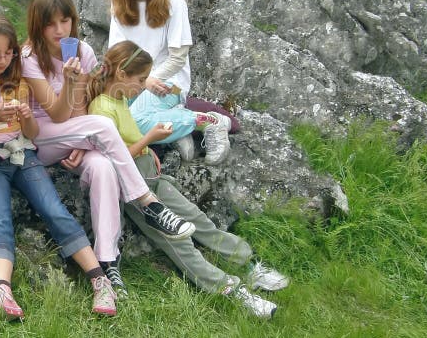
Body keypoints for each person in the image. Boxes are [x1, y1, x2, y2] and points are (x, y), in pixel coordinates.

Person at [86, 40, 289, 317]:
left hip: (152, 178)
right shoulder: (101, 108)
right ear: (121, 74)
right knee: (179, 243)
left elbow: (127, 141)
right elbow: (113, 159)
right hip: (134, 191)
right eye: (141, 79)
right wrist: (149, 140)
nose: (144, 84)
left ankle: (249, 262)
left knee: (199, 220)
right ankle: (232, 290)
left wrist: (147, 149)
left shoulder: (120, 100)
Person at [21, 0, 195, 294]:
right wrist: (71, 83)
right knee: (101, 126)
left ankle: (108, 263)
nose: (60, 30)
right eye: (51, 23)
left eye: (66, 21)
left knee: (102, 165)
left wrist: (78, 141)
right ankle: (149, 203)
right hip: (42, 138)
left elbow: (83, 107)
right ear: (38, 24)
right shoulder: (29, 57)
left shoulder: (83, 52)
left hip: (77, 135)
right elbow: (57, 115)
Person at [0, 13, 117, 318]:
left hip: (25, 154)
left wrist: (25, 118)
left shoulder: (18, 81)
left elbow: (33, 134)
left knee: (54, 209)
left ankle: (100, 280)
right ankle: (2, 289)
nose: (2, 60)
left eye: (8, 52)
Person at [108, 0, 231, 165]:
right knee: (108, 116)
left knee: (133, 120)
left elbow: (177, 58)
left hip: (168, 81)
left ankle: (207, 121)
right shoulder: (119, 2)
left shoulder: (173, 0)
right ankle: (176, 129)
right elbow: (117, 54)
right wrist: (141, 81)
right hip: (134, 81)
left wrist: (150, 79)